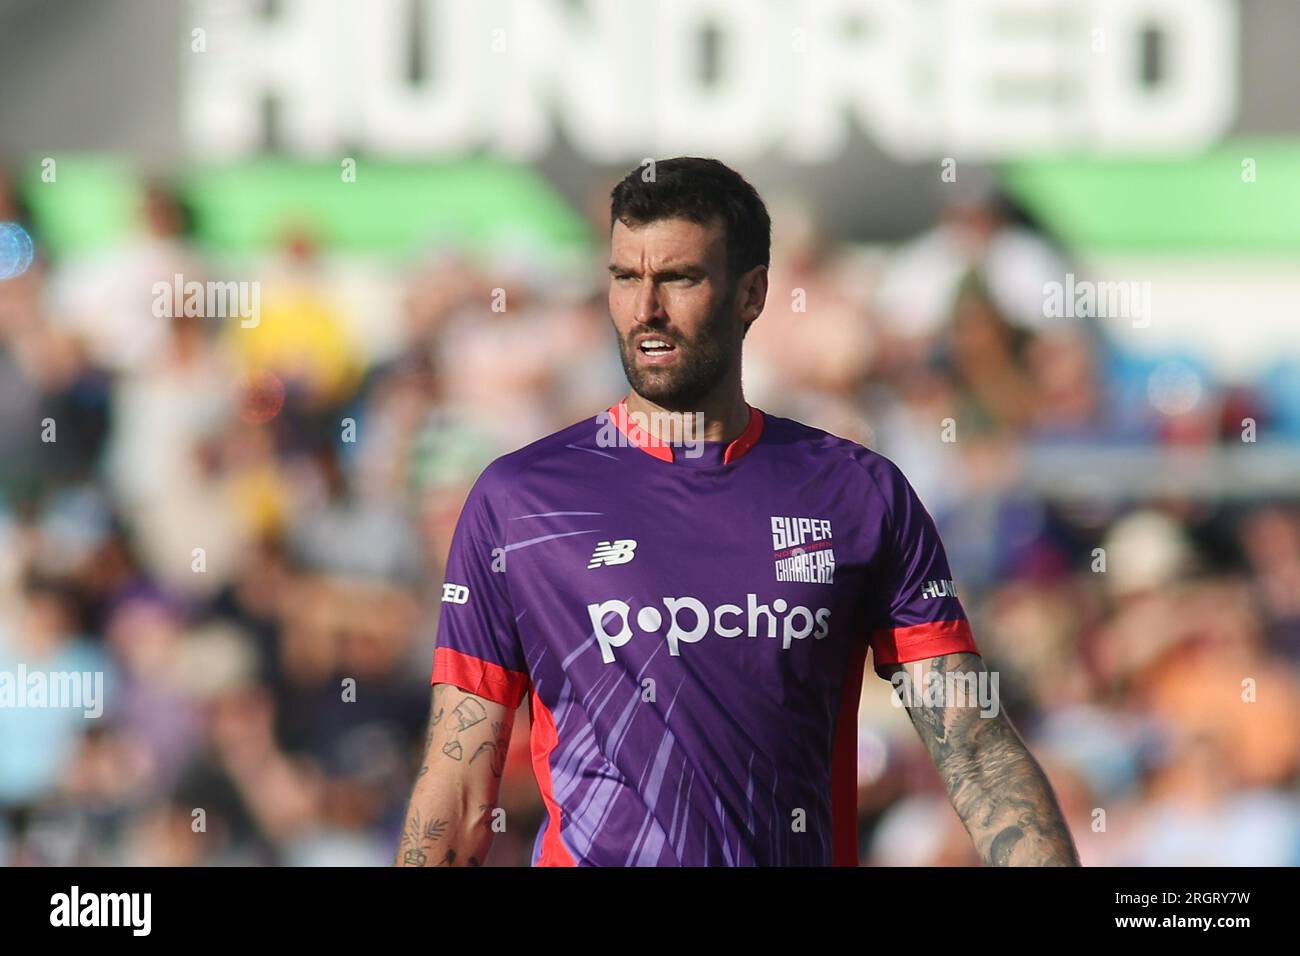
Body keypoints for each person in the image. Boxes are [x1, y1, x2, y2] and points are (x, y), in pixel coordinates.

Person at [396, 157, 1079, 867]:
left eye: (679, 278)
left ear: (751, 294)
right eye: (626, 278)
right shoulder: (519, 500)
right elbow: (458, 782)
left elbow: (971, 744)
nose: (646, 310)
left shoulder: (858, 493)